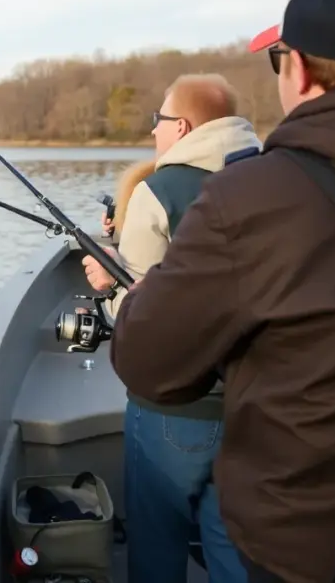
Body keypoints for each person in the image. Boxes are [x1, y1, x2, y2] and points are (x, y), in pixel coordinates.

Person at [105, 0, 335, 583]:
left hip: (307, 548)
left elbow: (151, 366)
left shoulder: (253, 199)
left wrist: (137, 297)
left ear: (296, 68)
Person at [82, 73, 261, 583]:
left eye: (157, 120)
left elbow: (139, 315)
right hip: (254, 403)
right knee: (231, 547)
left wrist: (107, 287)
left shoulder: (157, 191)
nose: (152, 132)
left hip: (173, 411)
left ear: (181, 126)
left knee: (156, 545)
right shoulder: (271, 178)